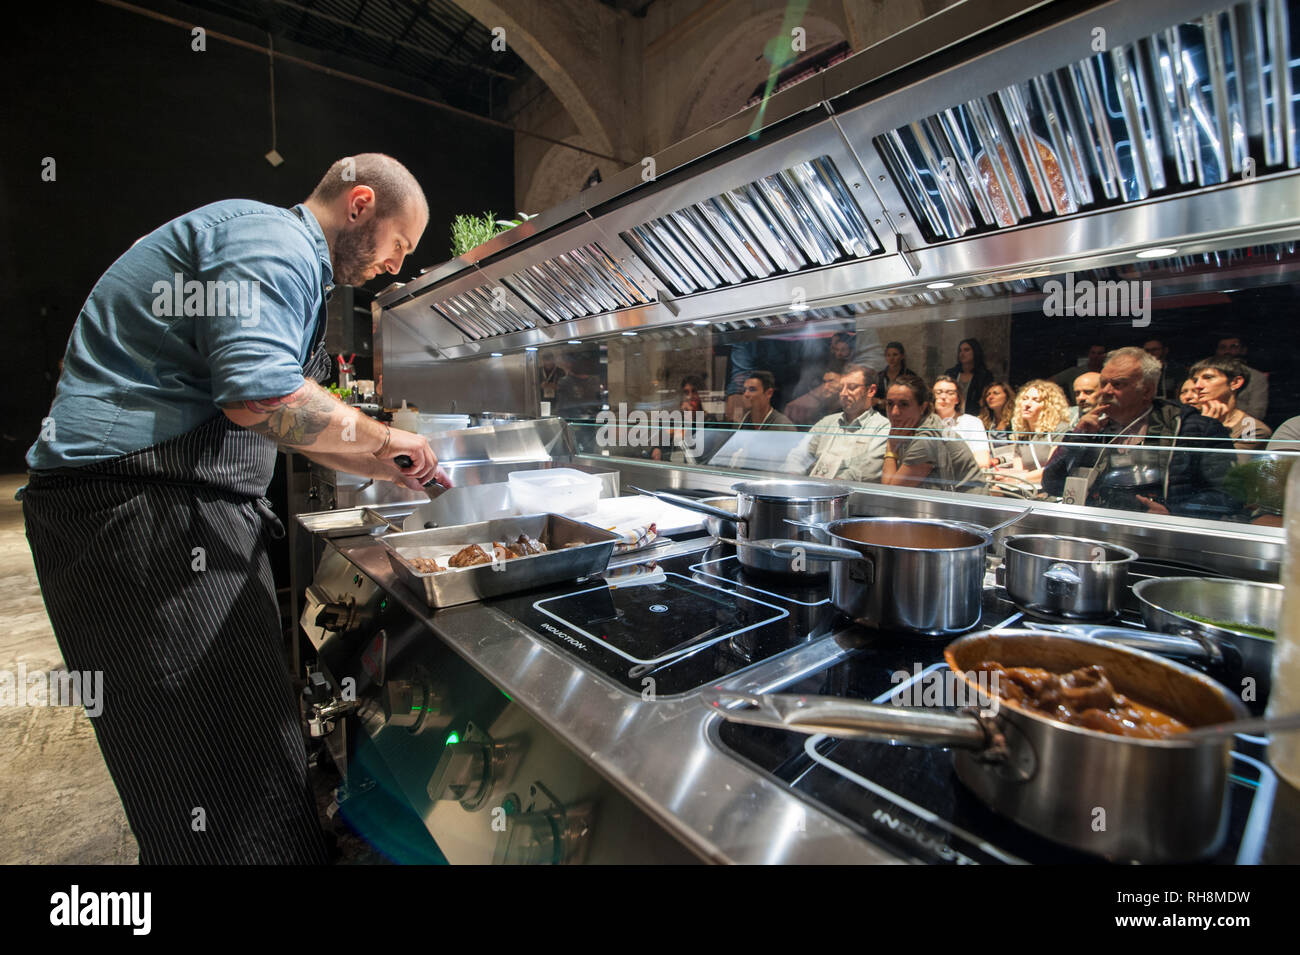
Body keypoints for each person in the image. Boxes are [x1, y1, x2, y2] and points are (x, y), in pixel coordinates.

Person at [22, 154, 444, 864]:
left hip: (160, 507)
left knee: (237, 733)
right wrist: (384, 436)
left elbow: (286, 424)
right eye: (398, 245)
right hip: (142, 513)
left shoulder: (289, 261)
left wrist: (379, 461)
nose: (395, 268)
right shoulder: (270, 241)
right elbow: (260, 397)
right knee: (208, 747)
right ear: (361, 204)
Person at [1042, 347, 1237, 519]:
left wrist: (1175, 511)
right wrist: (1078, 435)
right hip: (1098, 525)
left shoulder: (1193, 429)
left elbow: (1229, 495)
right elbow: (1052, 484)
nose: (1105, 391)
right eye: (1103, 383)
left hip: (1163, 535)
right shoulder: (1093, 429)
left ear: (1147, 391)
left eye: (1118, 384)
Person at [783, 365, 889, 482]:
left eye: (852, 387)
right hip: (812, 489)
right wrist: (792, 478)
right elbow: (799, 455)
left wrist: (829, 488)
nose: (843, 393)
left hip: (849, 496)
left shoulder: (881, 427)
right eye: (841, 388)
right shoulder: (827, 422)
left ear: (871, 390)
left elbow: (865, 471)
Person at [881, 374, 983, 493]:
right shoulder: (919, 424)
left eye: (904, 404)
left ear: (922, 407)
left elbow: (891, 492)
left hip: (968, 506)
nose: (894, 412)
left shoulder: (926, 438)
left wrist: (891, 447)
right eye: (890, 404)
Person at [1186, 356, 1272, 463]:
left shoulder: (1252, 429)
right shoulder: (1185, 418)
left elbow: (1230, 470)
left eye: (1208, 377)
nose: (1198, 385)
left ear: (1235, 382)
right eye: (1195, 380)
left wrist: (1209, 428)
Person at [998, 379, 1070, 487]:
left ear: (1049, 406)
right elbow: (1018, 471)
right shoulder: (1023, 436)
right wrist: (1002, 474)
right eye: (1025, 399)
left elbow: (1051, 470)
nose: (1027, 404)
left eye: (1036, 400)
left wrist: (1018, 477)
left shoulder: (1060, 430)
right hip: (1029, 489)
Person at [932, 375, 992, 467]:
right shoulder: (923, 421)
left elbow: (983, 461)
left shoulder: (972, 422)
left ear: (957, 399)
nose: (943, 396)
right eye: (938, 392)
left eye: (950, 393)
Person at [1215, 336, 1269, 420]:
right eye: (1223, 347)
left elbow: (1257, 413)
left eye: (1233, 346)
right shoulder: (1208, 375)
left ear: (1243, 350)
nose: (1227, 351)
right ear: (1217, 351)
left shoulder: (1257, 377)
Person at [945, 338, 995, 417]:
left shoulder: (984, 376)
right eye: (960, 351)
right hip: (951, 416)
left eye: (966, 350)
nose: (962, 353)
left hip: (974, 416)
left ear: (975, 352)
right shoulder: (951, 373)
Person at [873, 341, 913, 411]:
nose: (891, 358)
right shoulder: (879, 376)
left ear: (902, 356)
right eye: (888, 355)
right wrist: (879, 402)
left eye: (895, 355)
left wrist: (883, 402)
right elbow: (872, 399)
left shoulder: (909, 376)